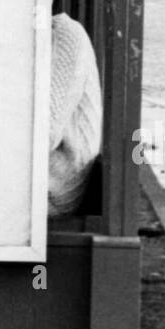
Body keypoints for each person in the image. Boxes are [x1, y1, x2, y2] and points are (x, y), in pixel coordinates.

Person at [48, 12, 102, 217]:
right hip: (34, 176)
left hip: (54, 191)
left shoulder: (66, 34)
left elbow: (46, 134)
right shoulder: (25, 36)